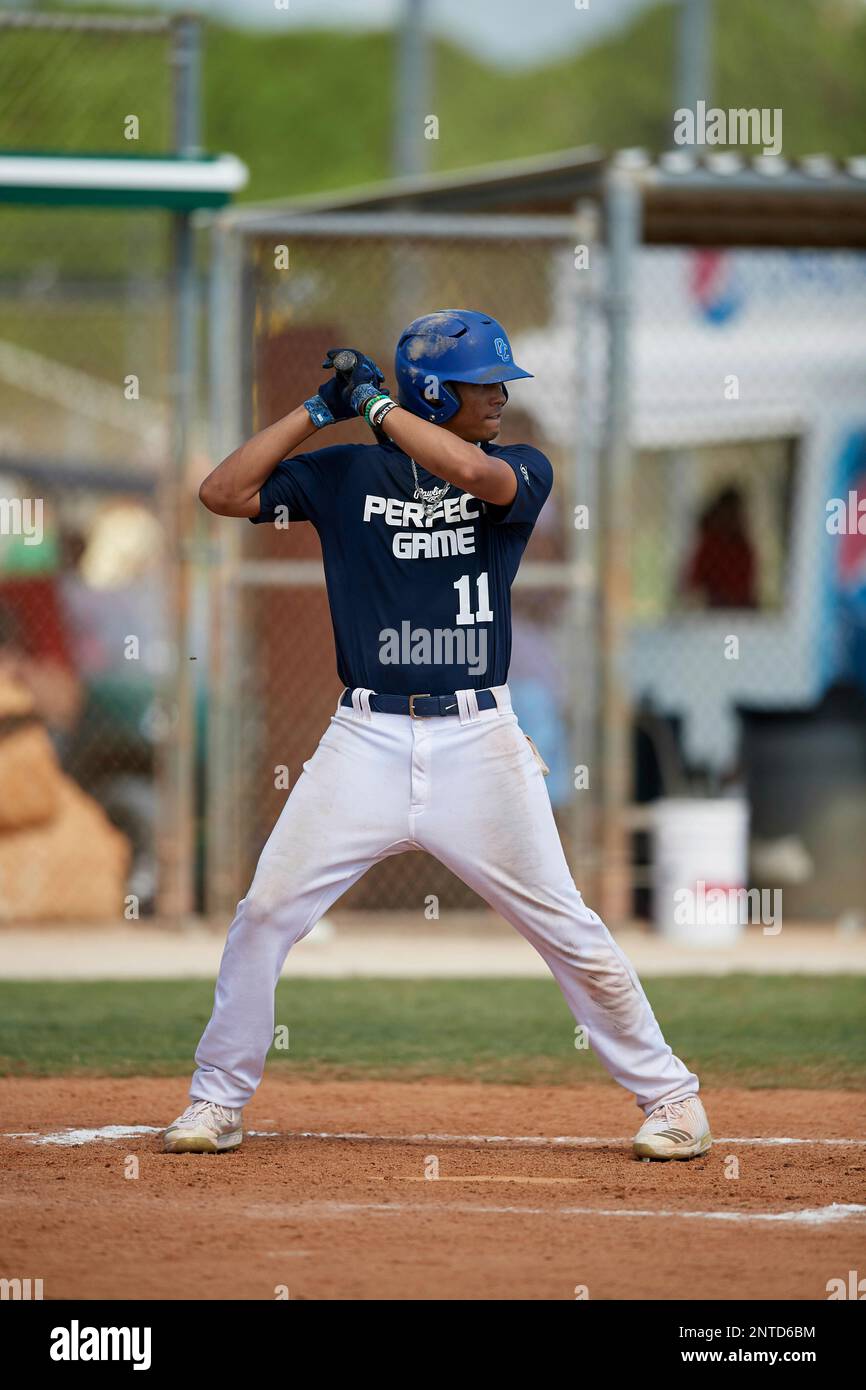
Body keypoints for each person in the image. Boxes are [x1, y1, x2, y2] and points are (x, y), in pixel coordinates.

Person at [164, 310, 711, 1161]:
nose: (499, 396)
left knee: (566, 926)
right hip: (365, 739)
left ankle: (672, 1099)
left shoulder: (518, 467)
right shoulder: (344, 474)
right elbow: (221, 493)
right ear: (432, 389)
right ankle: (217, 1100)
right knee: (266, 911)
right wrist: (319, 411)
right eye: (482, 383)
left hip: (479, 742)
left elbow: (470, 473)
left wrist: (378, 406)